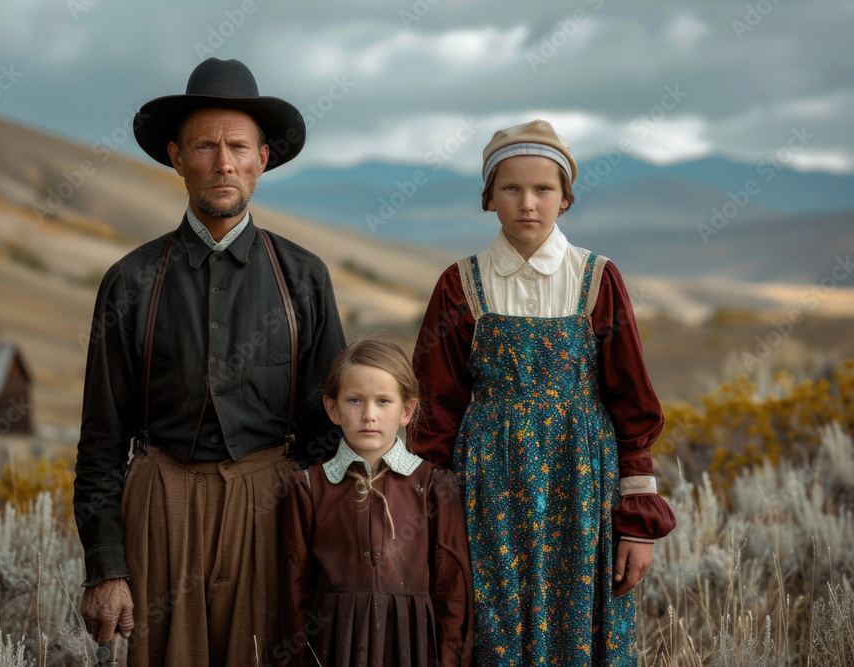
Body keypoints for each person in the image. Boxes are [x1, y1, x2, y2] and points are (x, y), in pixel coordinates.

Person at [74, 58, 346, 666]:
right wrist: (107, 568)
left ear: (262, 158)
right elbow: (101, 442)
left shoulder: (303, 279)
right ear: (176, 157)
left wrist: (301, 523)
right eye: (205, 146)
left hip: (272, 520)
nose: (223, 163)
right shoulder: (131, 282)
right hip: (160, 518)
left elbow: (330, 430)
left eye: (238, 147)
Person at [410, 120, 676, 665]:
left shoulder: (597, 278)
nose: (527, 203)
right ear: (489, 197)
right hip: (488, 490)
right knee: (492, 628)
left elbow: (632, 404)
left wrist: (638, 525)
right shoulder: (461, 282)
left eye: (543, 189)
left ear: (566, 197)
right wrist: (426, 512)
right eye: (510, 188)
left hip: (583, 489)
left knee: (580, 632)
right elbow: (436, 408)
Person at [279, 337, 474, 666]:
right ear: (333, 408)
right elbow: (294, 596)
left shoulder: (435, 486)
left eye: (384, 401)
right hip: (332, 647)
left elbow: (452, 593)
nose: (369, 414)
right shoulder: (309, 488)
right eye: (355, 400)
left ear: (407, 410)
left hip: (413, 647)